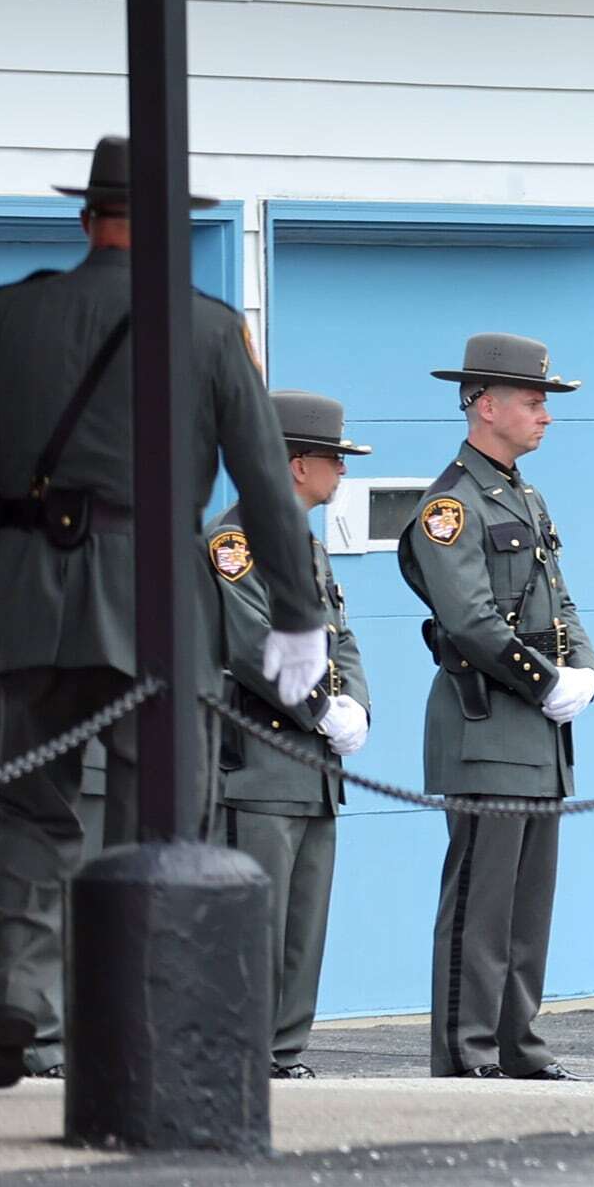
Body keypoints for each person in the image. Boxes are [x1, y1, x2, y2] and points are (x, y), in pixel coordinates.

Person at [0, 136, 330, 1090]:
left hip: (26, 592)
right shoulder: (209, 330)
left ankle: (15, 992)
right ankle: (133, 1014)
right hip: (150, 598)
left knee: (28, 802)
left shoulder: (1, 318)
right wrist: (300, 615)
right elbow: (266, 484)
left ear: (86, 218)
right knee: (156, 814)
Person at [401, 333, 594, 1081]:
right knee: (479, 908)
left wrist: (585, 667)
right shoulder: (451, 506)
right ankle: (467, 1049)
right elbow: (472, 621)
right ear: (486, 406)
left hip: (537, 738)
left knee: (527, 907)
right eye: (533, 399)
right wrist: (544, 678)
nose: (546, 413)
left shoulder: (526, 495)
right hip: (486, 723)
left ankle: (518, 1044)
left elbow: (561, 599)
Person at [209, 390, 372, 1079]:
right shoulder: (234, 543)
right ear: (295, 463)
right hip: (262, 763)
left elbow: (343, 637)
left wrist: (355, 705)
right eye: (332, 458)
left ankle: (282, 1052)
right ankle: (241, 1051)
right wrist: (319, 709)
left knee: (303, 926)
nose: (340, 471)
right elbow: (253, 644)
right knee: (257, 925)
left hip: (314, 769)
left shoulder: (302, 545)